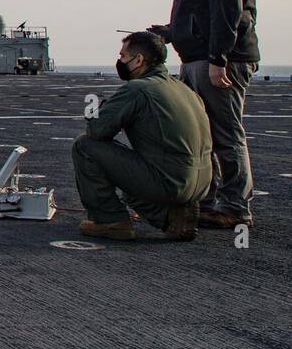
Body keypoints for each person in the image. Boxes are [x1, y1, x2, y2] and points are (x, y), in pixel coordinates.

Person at [149, 0, 260, 229]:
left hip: (216, 62)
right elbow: (205, 14)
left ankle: (235, 207)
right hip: (204, 57)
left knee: (225, 134)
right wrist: (172, 33)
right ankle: (212, 201)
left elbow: (228, 12)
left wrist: (218, 60)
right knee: (205, 133)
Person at [71, 32, 212, 241]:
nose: (119, 61)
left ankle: (110, 221)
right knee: (131, 191)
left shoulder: (137, 89)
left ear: (138, 60)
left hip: (171, 182)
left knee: (84, 146)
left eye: (123, 56)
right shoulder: (186, 90)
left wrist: (99, 110)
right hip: (201, 184)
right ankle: (173, 216)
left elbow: (97, 130)